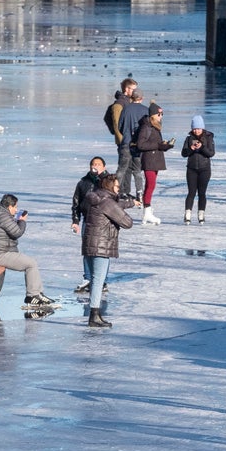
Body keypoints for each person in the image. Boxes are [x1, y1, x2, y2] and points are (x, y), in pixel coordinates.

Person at [80, 174, 135, 328]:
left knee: (95, 279)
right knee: (98, 280)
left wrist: (129, 203)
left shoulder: (94, 198)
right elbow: (127, 222)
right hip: (102, 245)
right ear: (110, 187)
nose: (119, 189)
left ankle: (95, 314)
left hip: (90, 243)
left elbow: (114, 206)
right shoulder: (107, 202)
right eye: (117, 186)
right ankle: (94, 315)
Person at [0, 193, 55, 306]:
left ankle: (38, 293)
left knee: (31, 263)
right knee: (30, 264)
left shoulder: (0, 214)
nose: (16, 210)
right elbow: (17, 232)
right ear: (9, 206)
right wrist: (22, 221)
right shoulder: (1, 216)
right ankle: (32, 296)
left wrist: (16, 220)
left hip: (1, 252)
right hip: (0, 254)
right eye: (15, 207)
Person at [71, 155, 108, 293]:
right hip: (87, 220)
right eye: (93, 164)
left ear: (104, 167)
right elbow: (76, 204)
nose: (95, 166)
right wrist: (75, 221)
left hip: (103, 221)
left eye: (98, 164)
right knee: (87, 250)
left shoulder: (108, 181)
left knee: (102, 250)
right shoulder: (83, 182)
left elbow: (115, 199)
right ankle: (87, 278)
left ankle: (102, 280)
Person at [135, 102, 174, 224]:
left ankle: (148, 211)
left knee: (151, 185)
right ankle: (147, 211)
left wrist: (166, 146)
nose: (161, 116)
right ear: (153, 115)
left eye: (162, 114)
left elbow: (156, 145)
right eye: (159, 114)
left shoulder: (155, 126)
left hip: (155, 159)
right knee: (151, 184)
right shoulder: (146, 127)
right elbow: (141, 144)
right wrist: (158, 145)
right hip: (149, 160)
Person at [181, 113, 215, 224]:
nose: (196, 131)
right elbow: (184, 153)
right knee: (191, 192)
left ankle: (201, 214)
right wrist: (191, 148)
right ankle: (187, 214)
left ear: (202, 128)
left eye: (198, 129)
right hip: (191, 169)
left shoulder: (208, 138)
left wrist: (202, 148)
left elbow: (211, 153)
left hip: (204, 169)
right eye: (194, 129)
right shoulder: (189, 138)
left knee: (202, 193)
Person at [115, 87, 148, 202]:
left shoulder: (126, 109)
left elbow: (119, 126)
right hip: (138, 145)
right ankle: (139, 193)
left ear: (132, 97)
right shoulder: (145, 110)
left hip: (126, 143)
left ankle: (115, 191)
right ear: (142, 98)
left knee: (122, 169)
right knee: (137, 170)